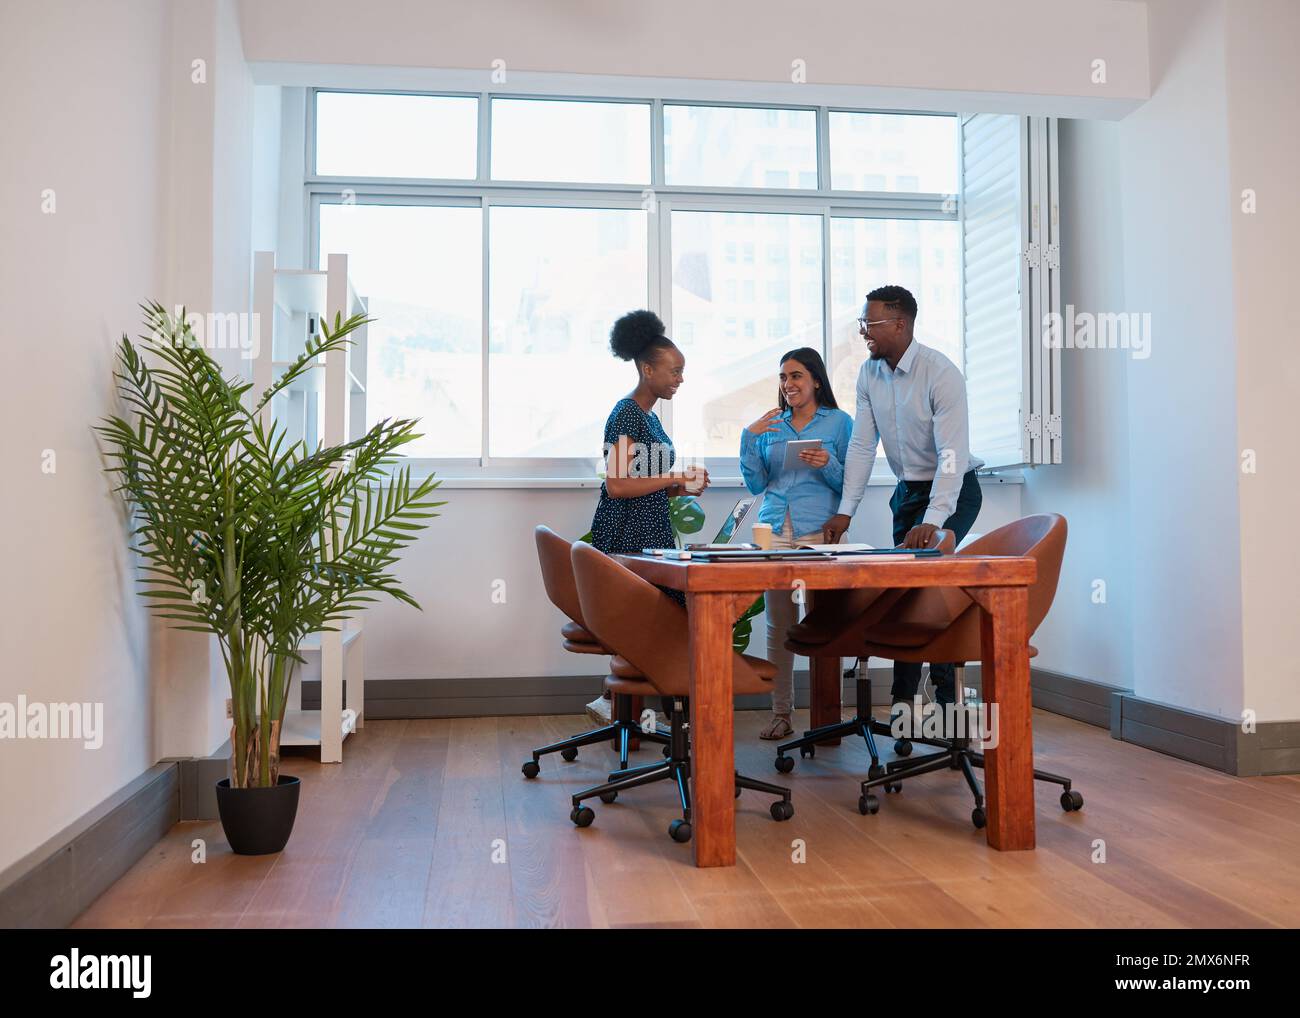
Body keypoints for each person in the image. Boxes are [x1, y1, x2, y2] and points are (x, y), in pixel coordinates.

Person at [822, 285, 983, 713]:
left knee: (933, 592)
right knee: (904, 594)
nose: (863, 332)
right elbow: (861, 447)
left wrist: (934, 519)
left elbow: (952, 454)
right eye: (862, 324)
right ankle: (904, 707)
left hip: (954, 490)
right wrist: (844, 511)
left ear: (900, 324)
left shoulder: (940, 372)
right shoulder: (868, 374)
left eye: (870, 324)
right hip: (908, 492)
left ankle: (950, 710)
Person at [586, 309, 708, 724]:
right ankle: (648, 707)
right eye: (674, 371)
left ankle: (667, 713)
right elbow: (618, 485)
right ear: (647, 368)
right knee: (677, 616)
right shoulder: (626, 414)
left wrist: (680, 485)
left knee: (682, 613)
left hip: (649, 533)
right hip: (626, 540)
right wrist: (672, 477)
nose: (680, 378)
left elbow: (644, 479)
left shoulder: (650, 417)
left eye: (682, 372)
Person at [739, 348, 853, 740]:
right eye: (784, 377)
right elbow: (756, 484)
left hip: (818, 532)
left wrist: (828, 464)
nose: (788, 384)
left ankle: (827, 716)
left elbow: (848, 487)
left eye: (797, 376)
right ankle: (781, 712)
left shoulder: (839, 423)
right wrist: (748, 439)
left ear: (816, 380)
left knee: (825, 625)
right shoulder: (772, 425)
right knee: (779, 626)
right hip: (774, 531)